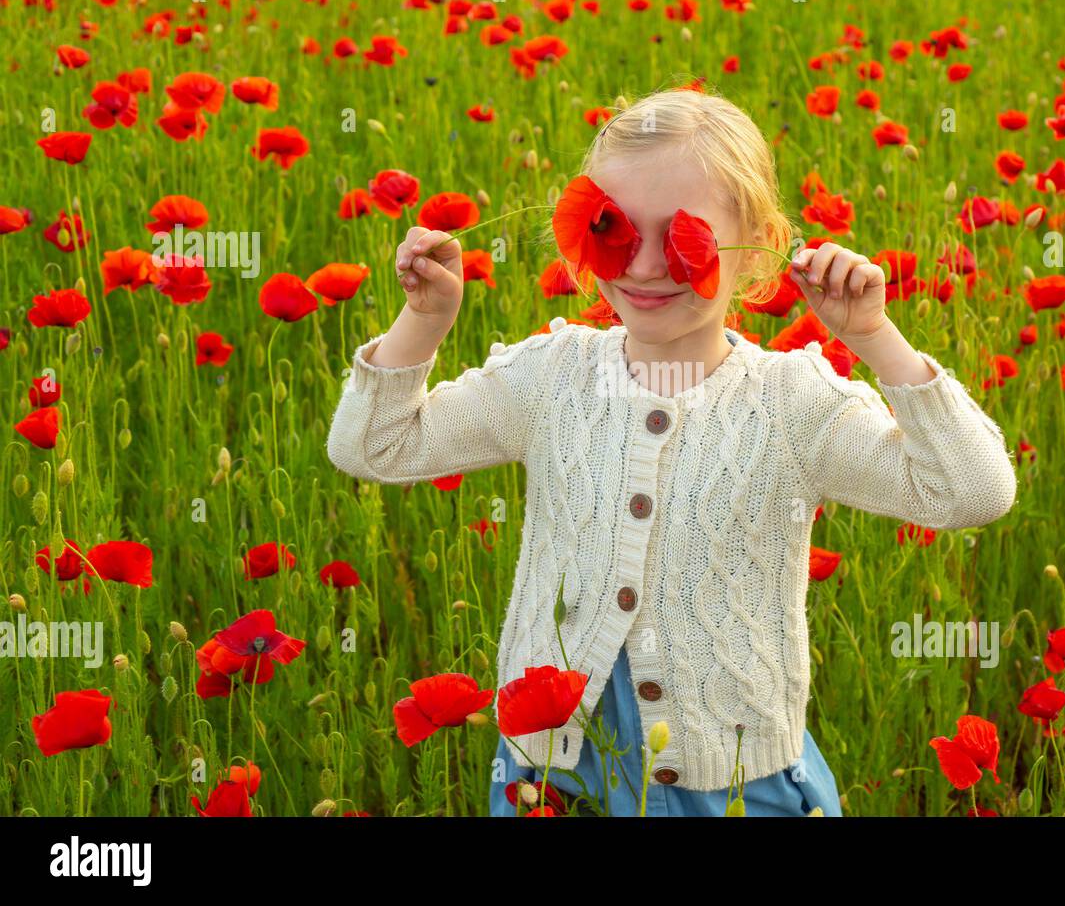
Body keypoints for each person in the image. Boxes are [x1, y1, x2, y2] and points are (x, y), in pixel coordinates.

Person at [326, 87, 1017, 816]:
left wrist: (875, 337)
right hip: (558, 775)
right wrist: (424, 319)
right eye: (616, 228)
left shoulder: (791, 401)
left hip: (729, 778)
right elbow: (373, 446)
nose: (647, 266)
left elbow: (972, 490)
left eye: (683, 236)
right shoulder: (551, 376)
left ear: (756, 239)